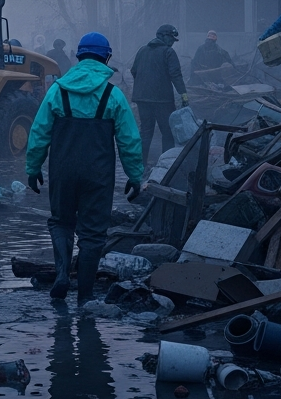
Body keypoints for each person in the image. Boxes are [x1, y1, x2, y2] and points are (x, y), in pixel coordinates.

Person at [24, 32, 144, 304]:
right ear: (106, 58)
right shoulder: (113, 94)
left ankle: (62, 274)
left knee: (61, 222)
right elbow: (129, 140)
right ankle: (85, 297)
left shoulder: (57, 90)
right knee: (92, 233)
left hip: (62, 171)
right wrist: (135, 175)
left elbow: (39, 133)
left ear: (79, 57)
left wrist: (33, 169)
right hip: (98, 174)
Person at [130, 24, 188, 160]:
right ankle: (166, 165)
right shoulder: (168, 52)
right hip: (163, 100)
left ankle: (141, 165)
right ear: (163, 36)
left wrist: (145, 85)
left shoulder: (142, 51)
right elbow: (175, 74)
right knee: (167, 132)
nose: (173, 42)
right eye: (172, 39)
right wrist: (184, 94)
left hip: (142, 99)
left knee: (145, 132)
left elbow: (134, 71)